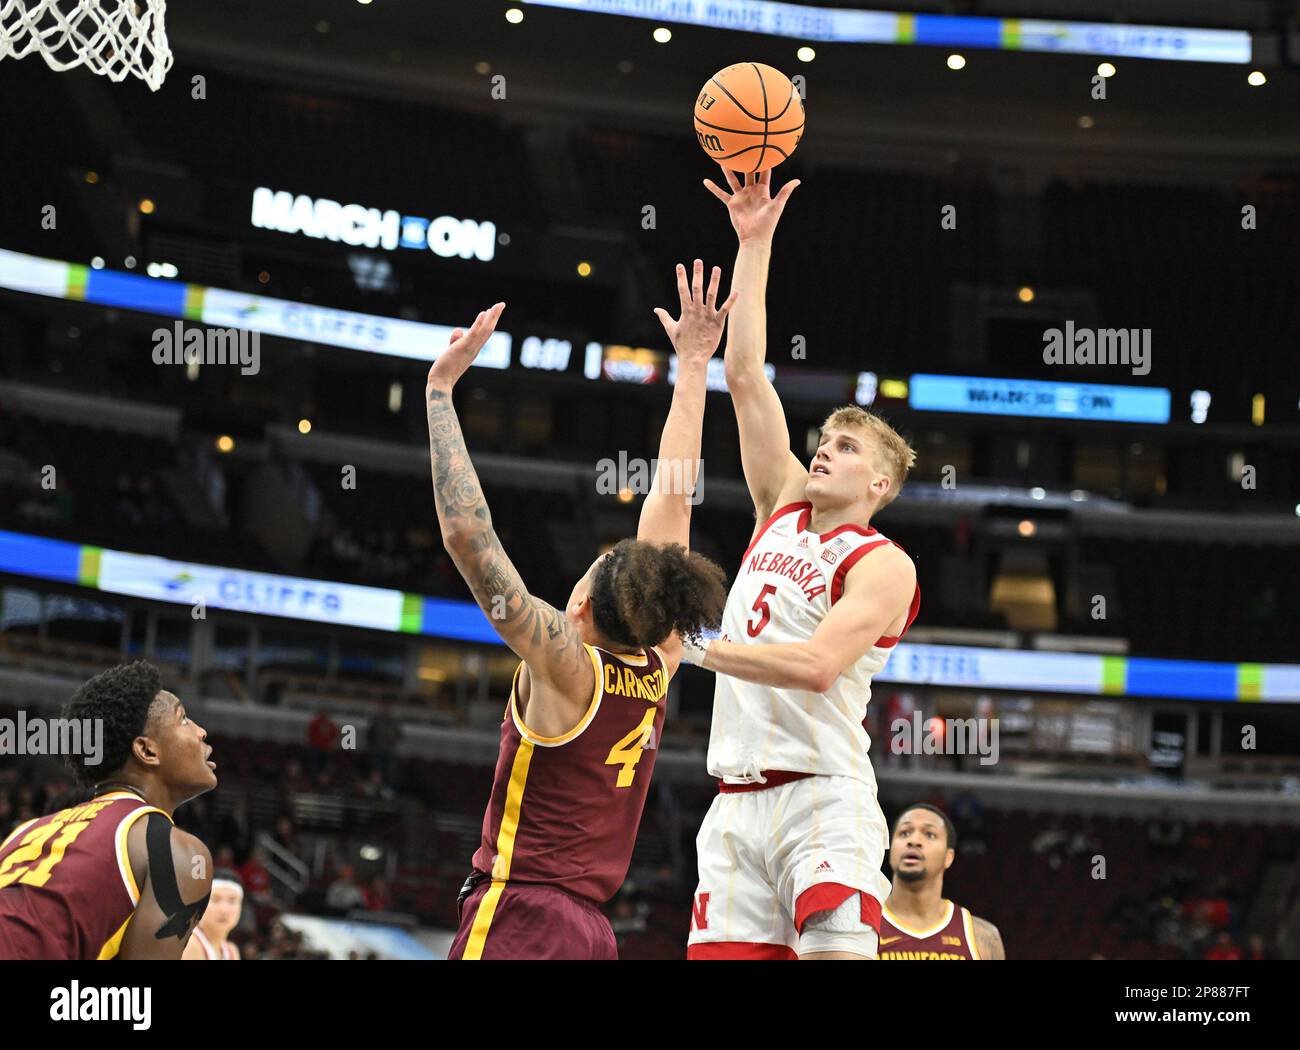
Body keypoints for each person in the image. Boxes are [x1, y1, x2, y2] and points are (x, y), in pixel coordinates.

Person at [431, 264, 734, 959]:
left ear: (577, 604)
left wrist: (440, 392)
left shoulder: (569, 667)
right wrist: (693, 366)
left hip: (522, 915)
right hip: (594, 932)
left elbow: (468, 538)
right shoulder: (659, 662)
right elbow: (675, 499)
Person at [684, 168, 920, 961]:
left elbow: (820, 666)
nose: (824, 449)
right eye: (823, 439)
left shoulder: (885, 565)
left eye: (846, 447)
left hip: (824, 799)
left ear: (879, 483)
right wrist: (754, 241)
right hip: (732, 804)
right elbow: (746, 377)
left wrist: (690, 645)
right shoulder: (780, 502)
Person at [0, 661, 216, 959]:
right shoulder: (175, 850)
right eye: (183, 719)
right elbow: (135, 1001)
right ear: (147, 751)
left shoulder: (27, 830)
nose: (201, 731)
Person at [878, 804, 1004, 960]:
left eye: (929, 834)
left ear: (948, 857)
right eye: (905, 833)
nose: (914, 840)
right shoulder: (862, 926)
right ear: (890, 849)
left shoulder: (982, 936)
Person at [183, 869, 244, 960]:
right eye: (215, 900)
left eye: (232, 901)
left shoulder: (231, 951)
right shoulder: (190, 945)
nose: (224, 909)